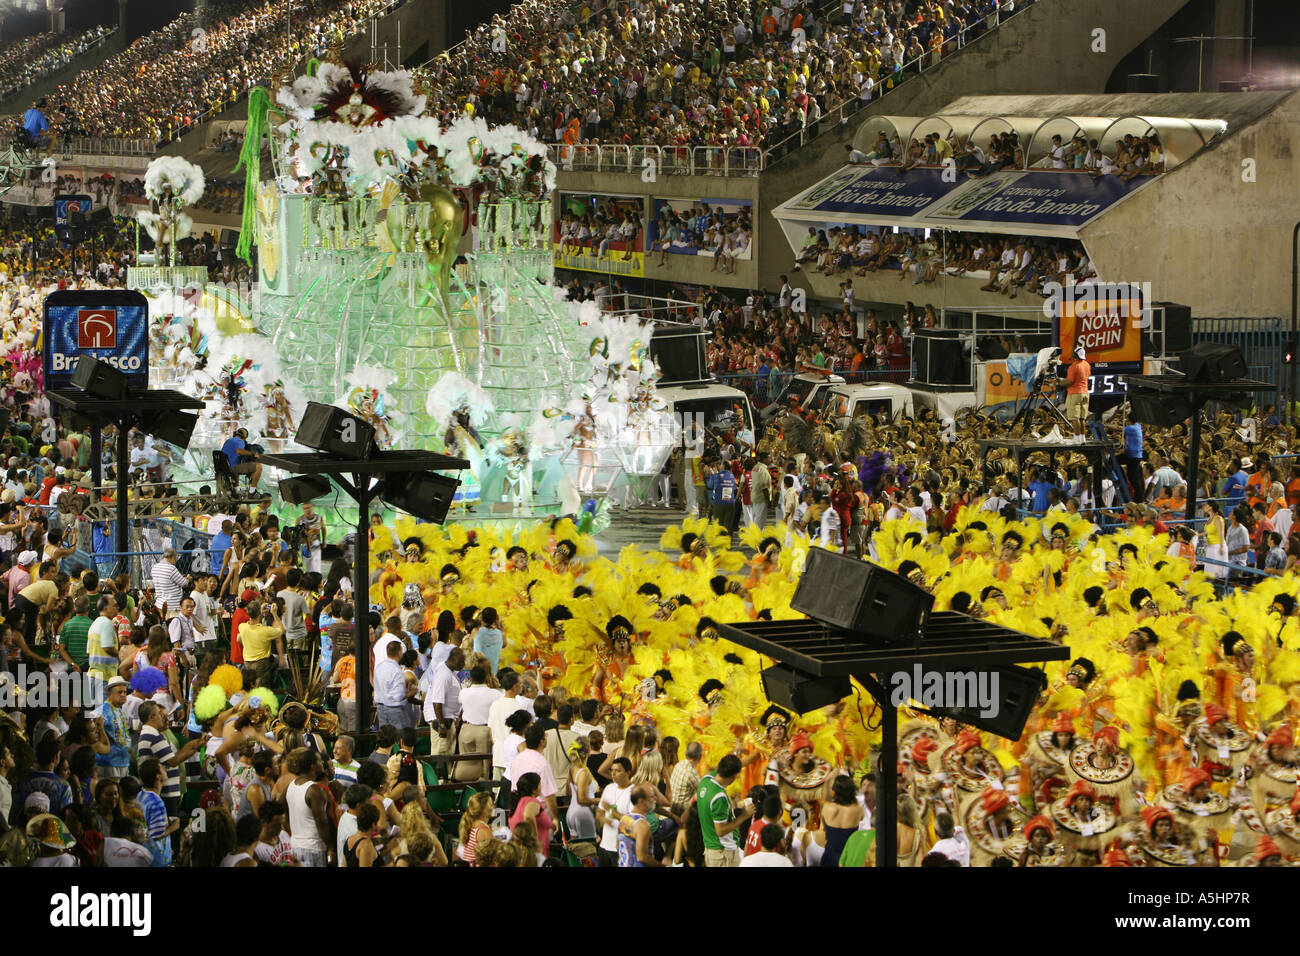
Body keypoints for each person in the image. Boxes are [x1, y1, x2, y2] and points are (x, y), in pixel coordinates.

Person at [698, 753, 754, 867]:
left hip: (712, 850)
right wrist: (744, 815)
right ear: (733, 776)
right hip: (723, 854)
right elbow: (720, 830)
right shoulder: (719, 797)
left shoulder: (705, 780)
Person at [1061, 345, 1091, 437]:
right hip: (1085, 393)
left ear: (1074, 355)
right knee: (1082, 419)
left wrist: (1058, 383)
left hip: (1075, 394)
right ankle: (1082, 439)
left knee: (1074, 418)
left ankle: (1077, 439)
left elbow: (1069, 382)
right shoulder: (1087, 365)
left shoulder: (1073, 367)